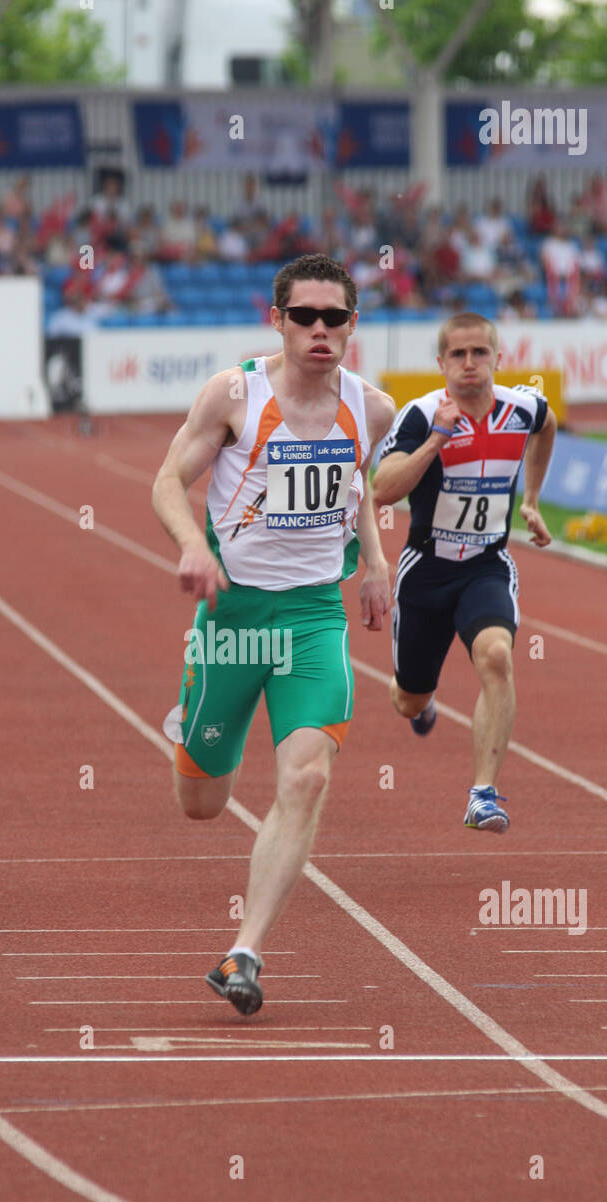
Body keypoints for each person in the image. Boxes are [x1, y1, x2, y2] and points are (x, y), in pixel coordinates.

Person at [152, 253, 395, 1016]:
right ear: (277, 320)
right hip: (234, 619)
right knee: (201, 801)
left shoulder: (373, 407)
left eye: (334, 318)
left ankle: (243, 952)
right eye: (304, 317)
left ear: (352, 325)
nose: (319, 331)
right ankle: (192, 724)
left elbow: (357, 487)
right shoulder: (233, 395)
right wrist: (192, 544)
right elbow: (166, 479)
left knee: (307, 777)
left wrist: (376, 562)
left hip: (315, 618)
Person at [372, 311, 557, 834]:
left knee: (496, 656)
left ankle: (483, 794)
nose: (470, 363)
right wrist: (435, 441)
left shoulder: (523, 408)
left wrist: (534, 501)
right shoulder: (421, 413)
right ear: (441, 363)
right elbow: (382, 488)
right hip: (427, 571)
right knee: (407, 699)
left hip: (486, 565)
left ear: (498, 358)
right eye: (459, 354)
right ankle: (423, 703)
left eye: (480, 352)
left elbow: (548, 425)